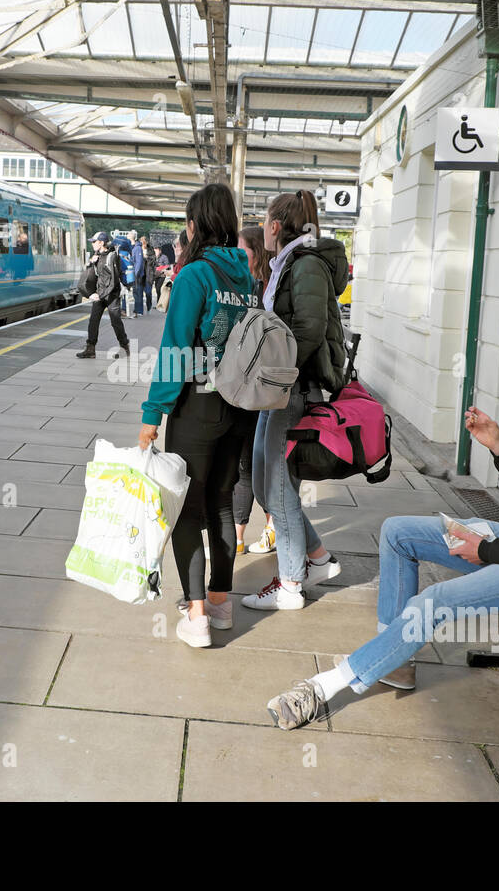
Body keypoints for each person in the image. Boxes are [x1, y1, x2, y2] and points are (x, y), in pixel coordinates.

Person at [265, 333, 499, 729]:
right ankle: (395, 660)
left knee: (434, 601)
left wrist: (486, 551)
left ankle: (326, 686)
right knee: (397, 532)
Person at [137, 184, 257, 649]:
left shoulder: (193, 276)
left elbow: (174, 350)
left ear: (195, 225)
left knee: (188, 507)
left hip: (199, 406)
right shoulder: (243, 276)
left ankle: (197, 615)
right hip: (240, 406)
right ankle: (220, 602)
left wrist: (153, 413)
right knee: (222, 502)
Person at [243, 190, 347, 612]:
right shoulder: (289, 263)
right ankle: (318, 557)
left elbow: (307, 329)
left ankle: (289, 584)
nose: (263, 227)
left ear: (275, 226)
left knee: (278, 486)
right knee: (264, 480)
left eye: (266, 220)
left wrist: (275, 374)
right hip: (282, 388)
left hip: (292, 389)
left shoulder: (305, 265)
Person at [231, 226, 273, 555]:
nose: (235, 255)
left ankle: (263, 529)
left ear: (256, 253)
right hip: (253, 386)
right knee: (250, 464)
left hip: (261, 388)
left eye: (241, 250)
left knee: (256, 464)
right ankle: (242, 535)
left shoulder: (262, 289)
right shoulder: (256, 286)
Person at [77, 231, 130, 359]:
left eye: (94, 242)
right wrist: (91, 263)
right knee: (93, 321)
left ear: (101, 243)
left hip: (112, 294)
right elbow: (93, 276)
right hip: (100, 293)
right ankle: (90, 349)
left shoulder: (112, 256)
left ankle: (124, 347)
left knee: (115, 321)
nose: (92, 244)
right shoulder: (97, 256)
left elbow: (113, 280)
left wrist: (101, 294)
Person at [116, 236, 136, 318]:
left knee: (118, 294)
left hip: (119, 275)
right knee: (125, 293)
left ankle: (120, 310)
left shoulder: (117, 253)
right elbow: (131, 263)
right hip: (127, 276)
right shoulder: (128, 253)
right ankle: (124, 310)